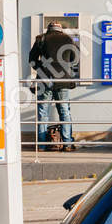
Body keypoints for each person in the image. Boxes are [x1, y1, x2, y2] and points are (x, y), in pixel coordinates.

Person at [29, 20, 78, 151]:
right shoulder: (68, 39)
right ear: (60, 29)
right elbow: (75, 59)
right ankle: (67, 143)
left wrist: (42, 69)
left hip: (44, 80)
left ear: (49, 29)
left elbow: (32, 60)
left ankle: (42, 145)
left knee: (43, 113)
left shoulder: (41, 38)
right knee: (64, 111)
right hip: (63, 81)